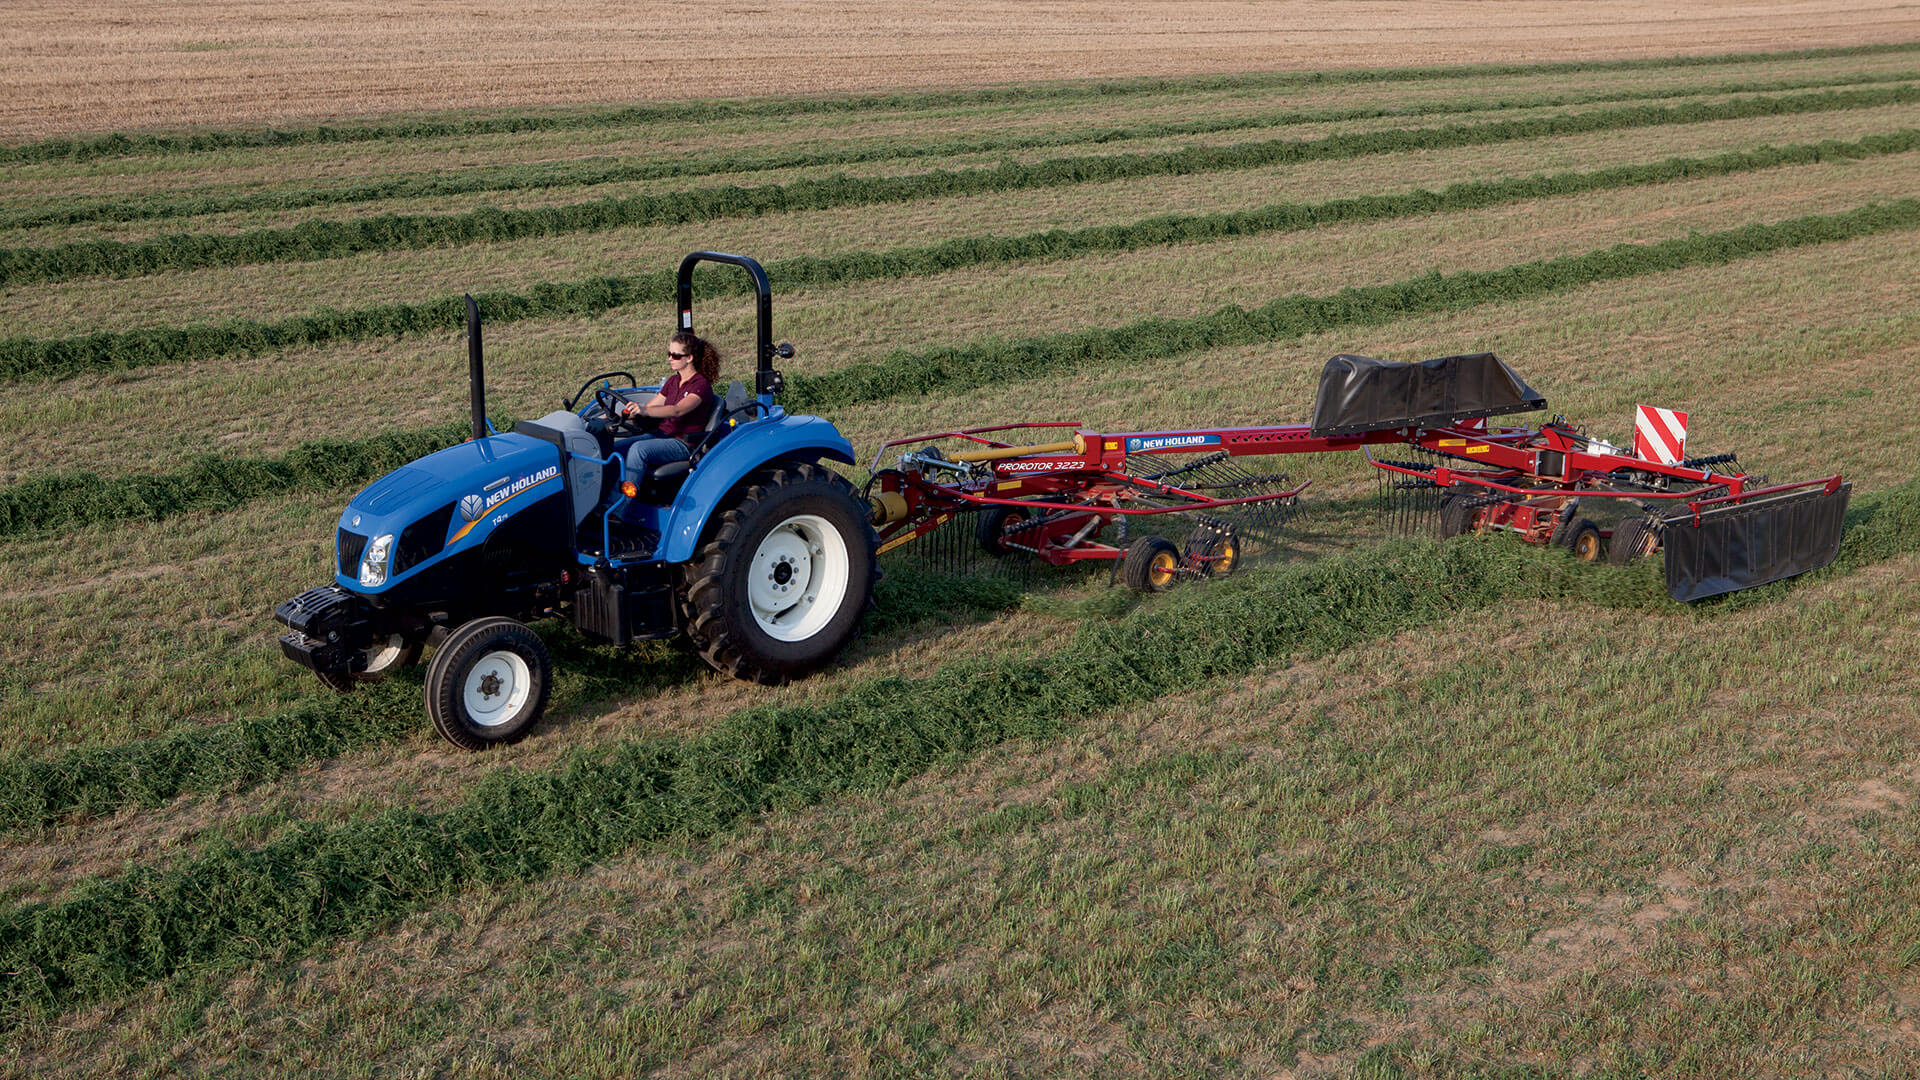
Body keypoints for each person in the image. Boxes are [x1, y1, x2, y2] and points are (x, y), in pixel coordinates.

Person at [617, 330, 719, 493]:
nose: (670, 358)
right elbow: (651, 406)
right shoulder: (673, 381)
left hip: (683, 443)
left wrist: (643, 410)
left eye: (676, 355)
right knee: (616, 448)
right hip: (662, 434)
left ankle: (620, 507)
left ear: (689, 358)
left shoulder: (700, 385)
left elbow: (677, 410)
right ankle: (604, 500)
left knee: (639, 449)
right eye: (669, 354)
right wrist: (619, 415)